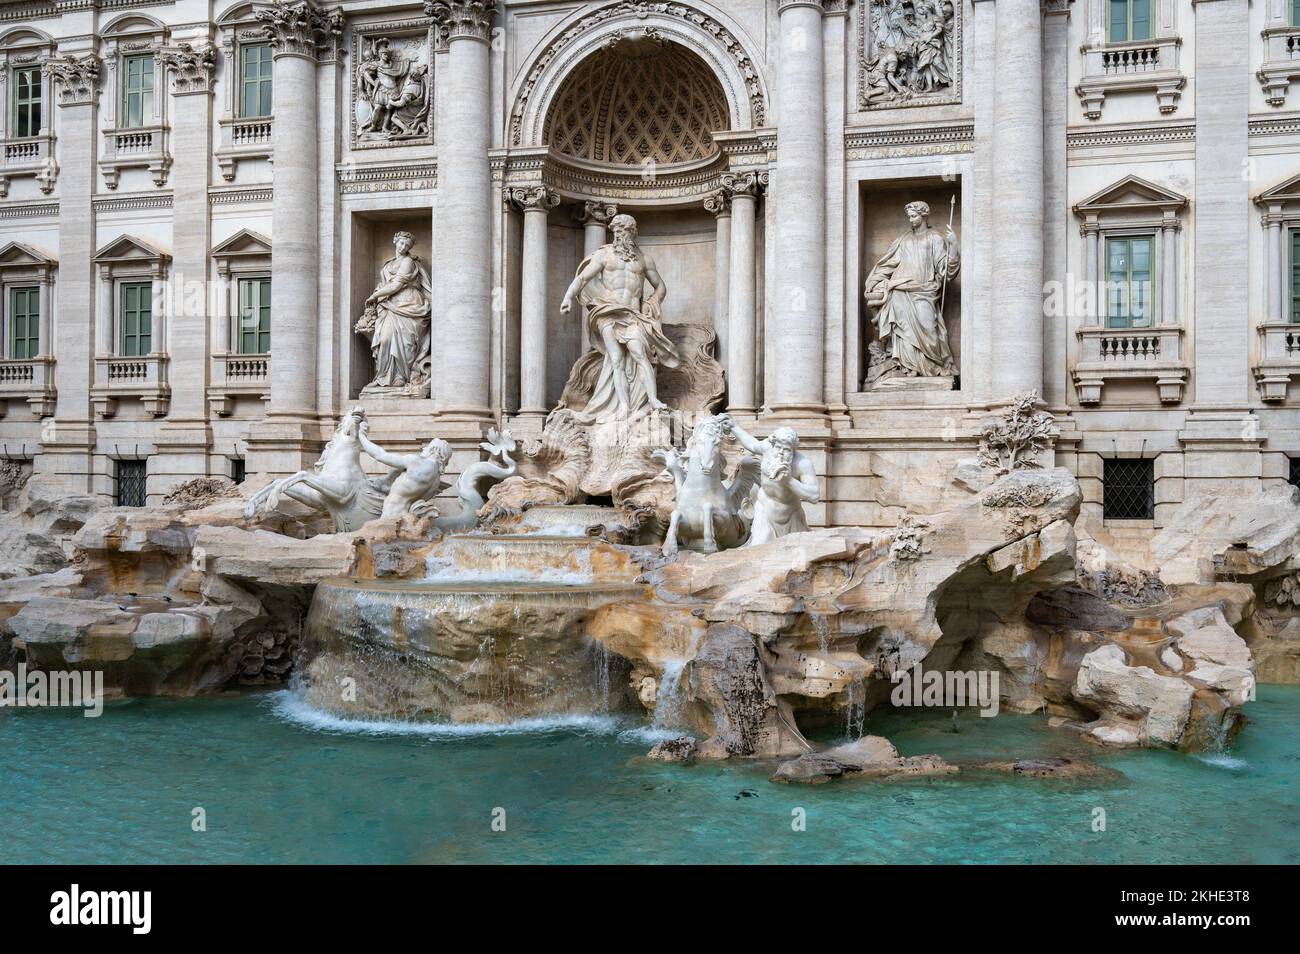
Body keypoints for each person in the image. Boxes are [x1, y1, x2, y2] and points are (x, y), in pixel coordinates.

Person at [559, 213, 680, 422]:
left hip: (633, 315)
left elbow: (660, 286)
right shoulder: (604, 256)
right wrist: (568, 296)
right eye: (615, 231)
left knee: (640, 354)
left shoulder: (644, 259)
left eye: (621, 230)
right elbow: (583, 278)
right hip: (608, 312)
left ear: (632, 232)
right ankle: (623, 406)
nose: (617, 235)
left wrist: (652, 303)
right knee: (616, 359)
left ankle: (652, 400)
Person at [864, 200, 959, 379]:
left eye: (914, 216)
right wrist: (875, 281)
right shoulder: (903, 239)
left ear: (923, 216)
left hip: (924, 290)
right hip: (900, 289)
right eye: (909, 216)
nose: (911, 220)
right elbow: (889, 264)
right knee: (903, 330)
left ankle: (930, 366)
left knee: (928, 327)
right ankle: (907, 367)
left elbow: (946, 270)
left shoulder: (935, 238)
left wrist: (953, 247)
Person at [722, 416, 819, 546]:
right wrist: (734, 427)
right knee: (759, 548)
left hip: (791, 515)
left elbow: (814, 495)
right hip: (765, 510)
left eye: (786, 450)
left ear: (793, 449)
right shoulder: (768, 448)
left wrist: (788, 481)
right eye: (778, 448)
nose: (780, 453)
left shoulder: (802, 463)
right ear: (773, 444)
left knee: (793, 555)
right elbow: (752, 444)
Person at [357, 231, 432, 390]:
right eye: (401, 243)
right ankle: (383, 377)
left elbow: (397, 285)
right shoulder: (388, 264)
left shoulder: (408, 262)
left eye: (407, 245)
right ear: (395, 241)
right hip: (390, 304)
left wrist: (375, 296)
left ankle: (400, 377)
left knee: (405, 342)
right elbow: (386, 284)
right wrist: (379, 294)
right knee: (385, 339)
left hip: (408, 302)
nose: (403, 247)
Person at [358, 420, 451, 519]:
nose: (424, 449)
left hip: (391, 517)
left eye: (427, 447)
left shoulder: (417, 462)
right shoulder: (436, 481)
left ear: (434, 450)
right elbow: (405, 490)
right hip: (405, 518)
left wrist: (362, 436)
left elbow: (380, 455)